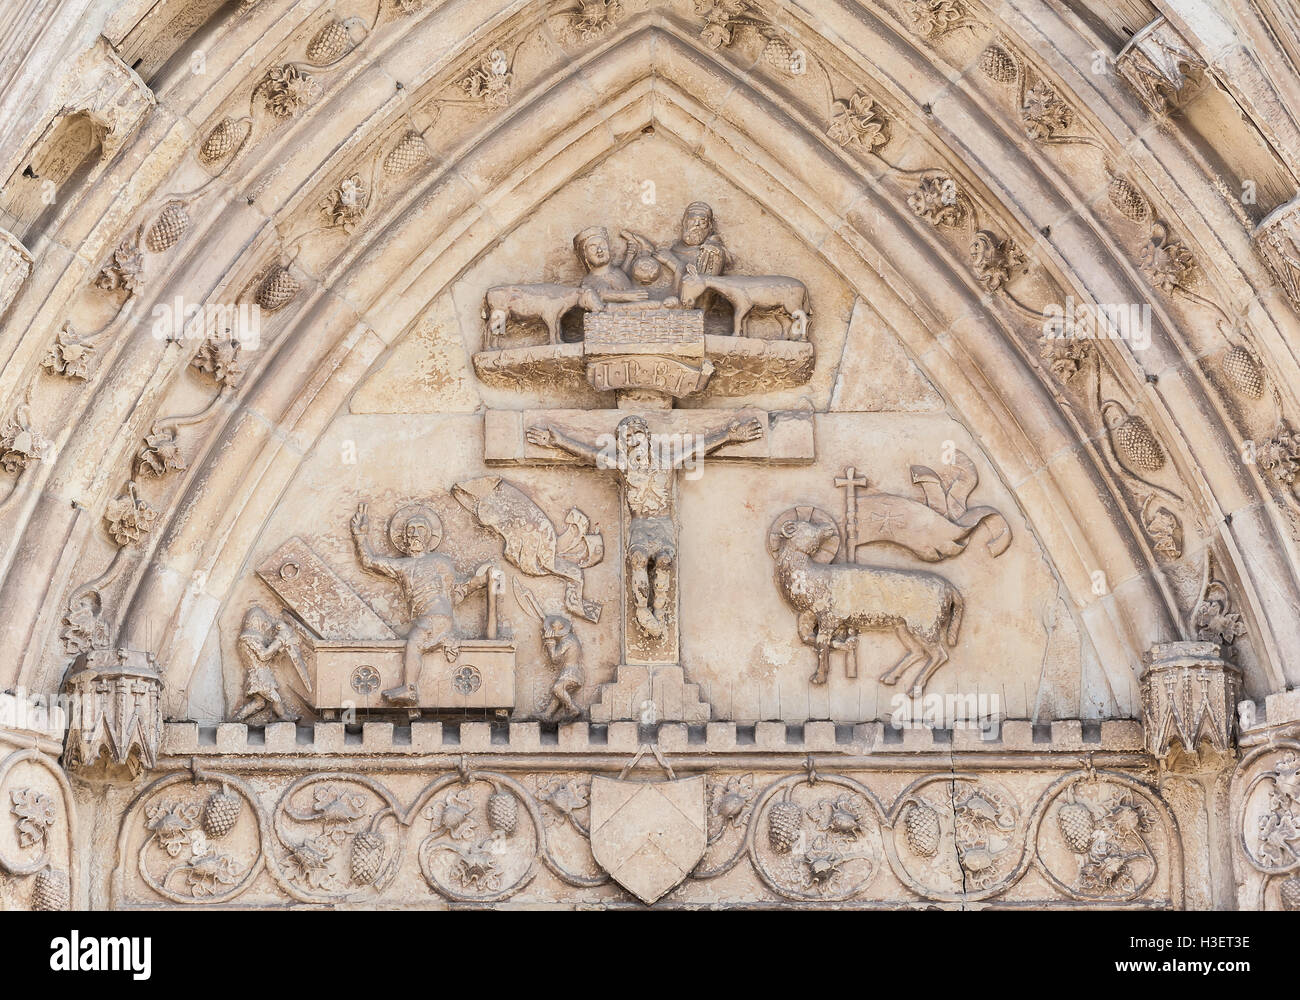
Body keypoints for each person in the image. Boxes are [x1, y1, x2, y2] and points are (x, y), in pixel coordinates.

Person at [525, 414, 762, 638]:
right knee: (637, 558)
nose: (632, 441)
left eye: (636, 434)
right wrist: (559, 441)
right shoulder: (624, 467)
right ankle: (642, 609)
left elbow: (698, 449)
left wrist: (729, 437)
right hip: (639, 526)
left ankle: (659, 611)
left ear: (647, 437)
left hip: (662, 526)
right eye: (626, 438)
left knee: (664, 561)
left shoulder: (667, 463)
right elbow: (590, 454)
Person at [350, 502, 491, 707]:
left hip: (436, 617)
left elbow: (455, 592)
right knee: (419, 641)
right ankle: (442, 641)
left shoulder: (440, 562)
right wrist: (360, 536)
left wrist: (477, 582)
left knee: (414, 643)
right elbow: (369, 562)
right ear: (405, 537)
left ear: (428, 537)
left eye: (420, 529)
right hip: (429, 621)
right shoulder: (402, 566)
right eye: (411, 530)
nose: (415, 533)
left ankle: (410, 688)